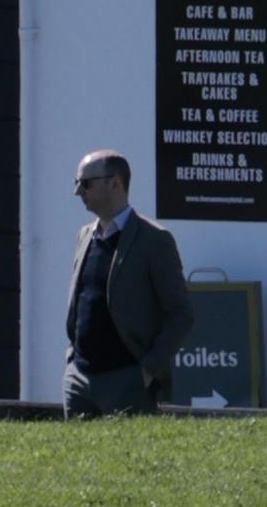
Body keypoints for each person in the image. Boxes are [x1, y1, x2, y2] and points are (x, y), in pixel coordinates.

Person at [61, 149, 188, 417]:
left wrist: (146, 371)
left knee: (127, 459)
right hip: (79, 381)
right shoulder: (85, 236)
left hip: (126, 381)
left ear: (115, 183)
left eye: (85, 183)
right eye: (77, 184)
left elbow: (181, 314)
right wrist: (71, 361)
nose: (78, 192)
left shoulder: (154, 240)